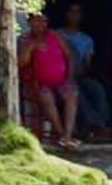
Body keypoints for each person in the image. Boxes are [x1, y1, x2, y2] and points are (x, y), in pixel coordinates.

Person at [19, 12, 81, 149]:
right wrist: (31, 47)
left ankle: (67, 136)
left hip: (62, 81)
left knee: (72, 94)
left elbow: (69, 56)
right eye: (38, 21)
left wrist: (69, 78)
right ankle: (62, 135)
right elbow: (21, 63)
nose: (41, 24)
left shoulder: (55, 36)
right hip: (40, 84)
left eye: (44, 21)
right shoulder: (25, 40)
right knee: (46, 97)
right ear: (30, 23)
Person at [59, 2, 111, 139]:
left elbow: (88, 64)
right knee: (78, 94)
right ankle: (98, 126)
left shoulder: (87, 40)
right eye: (72, 12)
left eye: (78, 12)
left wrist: (81, 72)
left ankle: (100, 124)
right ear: (66, 14)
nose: (75, 16)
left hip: (80, 76)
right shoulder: (58, 35)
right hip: (62, 77)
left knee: (98, 89)